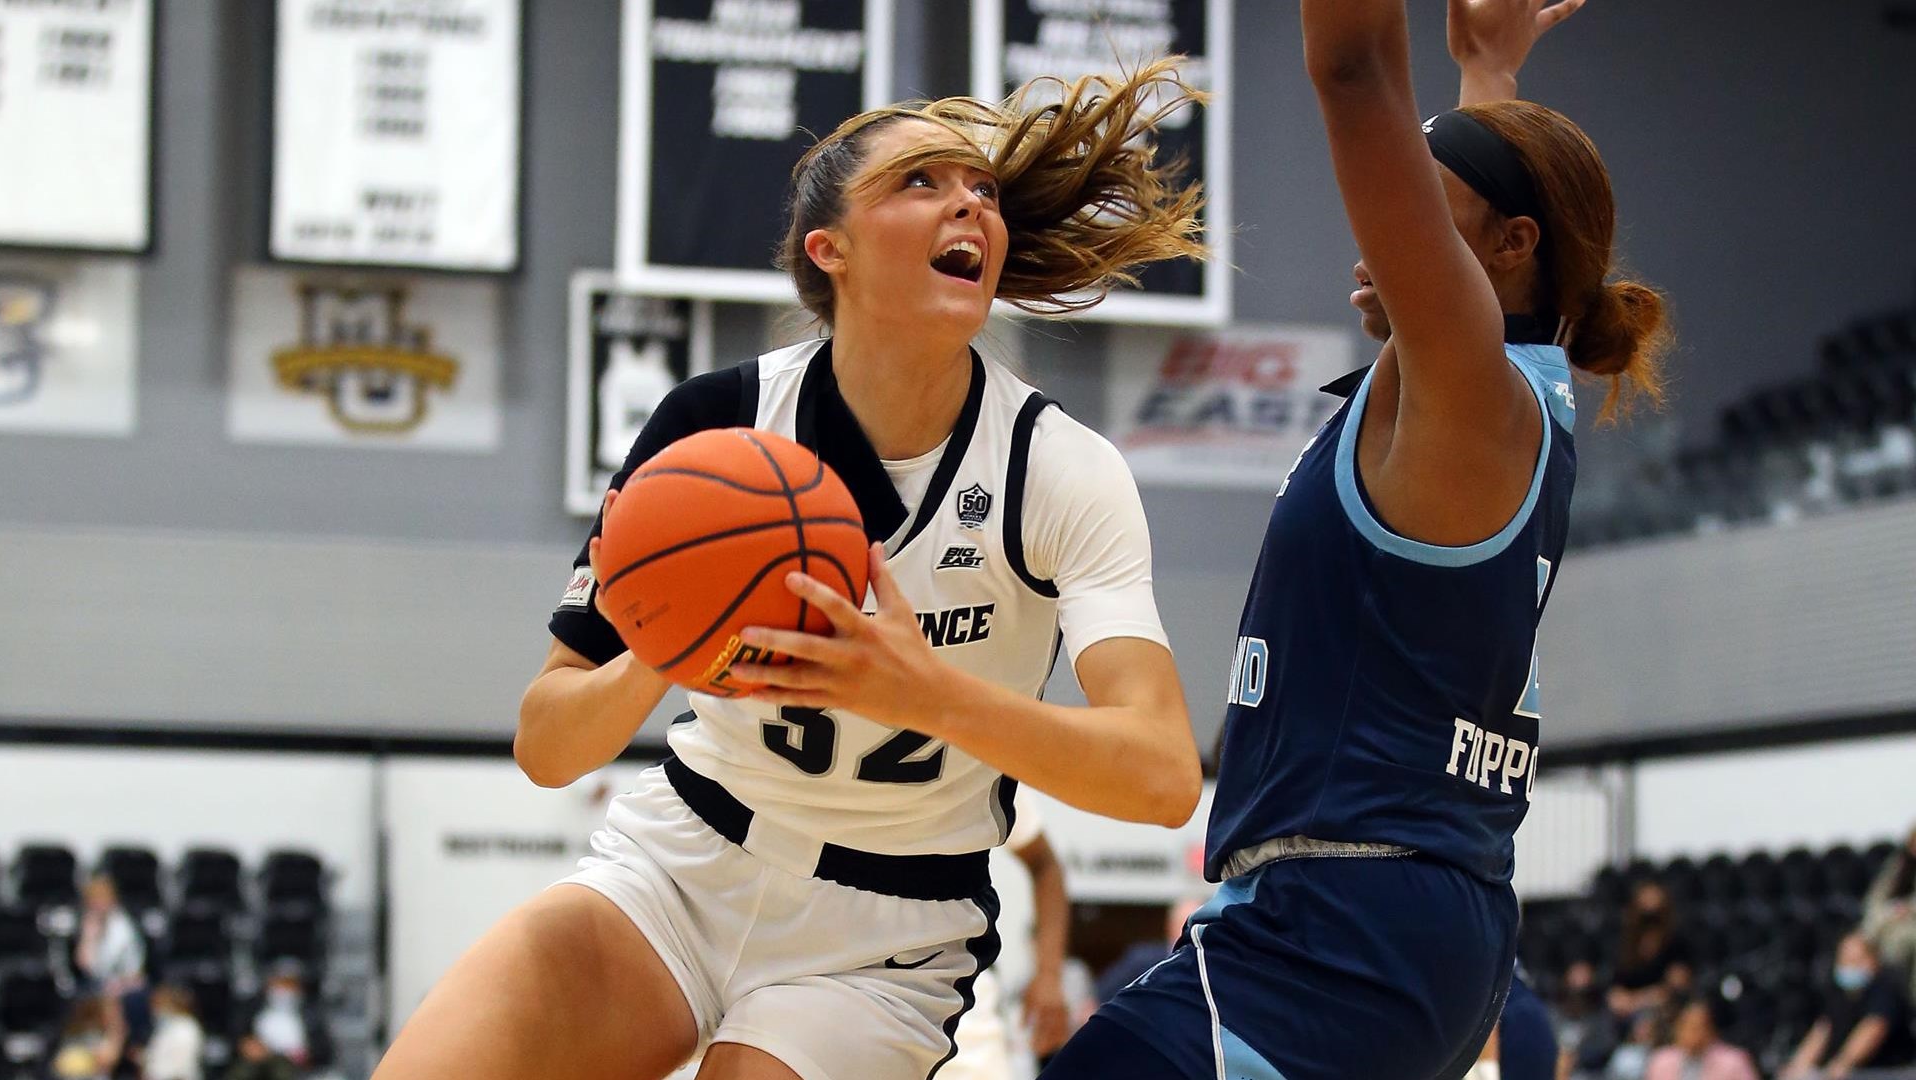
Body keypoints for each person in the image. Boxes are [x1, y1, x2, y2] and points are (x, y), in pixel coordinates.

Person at [374, 60, 1208, 1080]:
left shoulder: (1058, 469)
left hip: (883, 934)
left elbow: (1165, 775)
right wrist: (663, 646)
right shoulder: (711, 426)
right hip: (680, 866)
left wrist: (925, 693)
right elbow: (548, 745)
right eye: (922, 182)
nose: (969, 205)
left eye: (983, 190)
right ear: (832, 251)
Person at [1043, 0, 1670, 1075]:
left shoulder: (1469, 385)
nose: (1384, 226)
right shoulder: (1509, 386)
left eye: (1423, 208)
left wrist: (1439, 90)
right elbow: (1492, 201)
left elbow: (1351, 73)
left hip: (1341, 918)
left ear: (1511, 248)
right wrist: (1485, 68)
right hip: (1399, 911)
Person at [943, 792, 1073, 1080]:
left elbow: (1045, 865)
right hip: (850, 985)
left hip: (962, 1008)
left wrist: (1049, 975)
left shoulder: (986, 755)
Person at [1781, 932, 1916, 1079]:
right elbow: (1823, 1029)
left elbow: (1874, 1027)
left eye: (1856, 960)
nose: (1849, 966)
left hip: (1887, 1072)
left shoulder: (1886, 988)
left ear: (1873, 959)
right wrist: (1798, 1066)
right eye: (1844, 960)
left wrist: (1843, 1062)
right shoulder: (1838, 992)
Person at [75, 875, 149, 1060]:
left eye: (101, 899)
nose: (97, 905)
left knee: (112, 999)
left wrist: (115, 984)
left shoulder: (123, 927)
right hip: (98, 985)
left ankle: (117, 1048)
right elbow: (86, 966)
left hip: (127, 982)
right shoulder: (88, 926)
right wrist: (89, 937)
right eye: (93, 900)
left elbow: (134, 970)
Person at [1608, 881, 1693, 1023]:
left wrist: (1637, 1001)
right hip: (1628, 1012)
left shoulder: (1676, 941)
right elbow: (1616, 988)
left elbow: (1676, 985)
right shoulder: (1627, 943)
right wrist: (1623, 1000)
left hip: (1663, 1010)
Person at [1643, 997, 1758, 1080]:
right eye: (1684, 1025)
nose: (1689, 1033)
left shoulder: (1734, 1061)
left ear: (1711, 1030)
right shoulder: (1660, 1061)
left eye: (1696, 1027)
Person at [1862, 825, 1916, 1000]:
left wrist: (1909, 908)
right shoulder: (1899, 866)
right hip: (1889, 926)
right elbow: (1875, 903)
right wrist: (1891, 913)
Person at [142, 985, 205, 1080]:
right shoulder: (167, 1026)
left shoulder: (186, 1028)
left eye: (158, 1003)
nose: (155, 1008)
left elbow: (181, 1068)